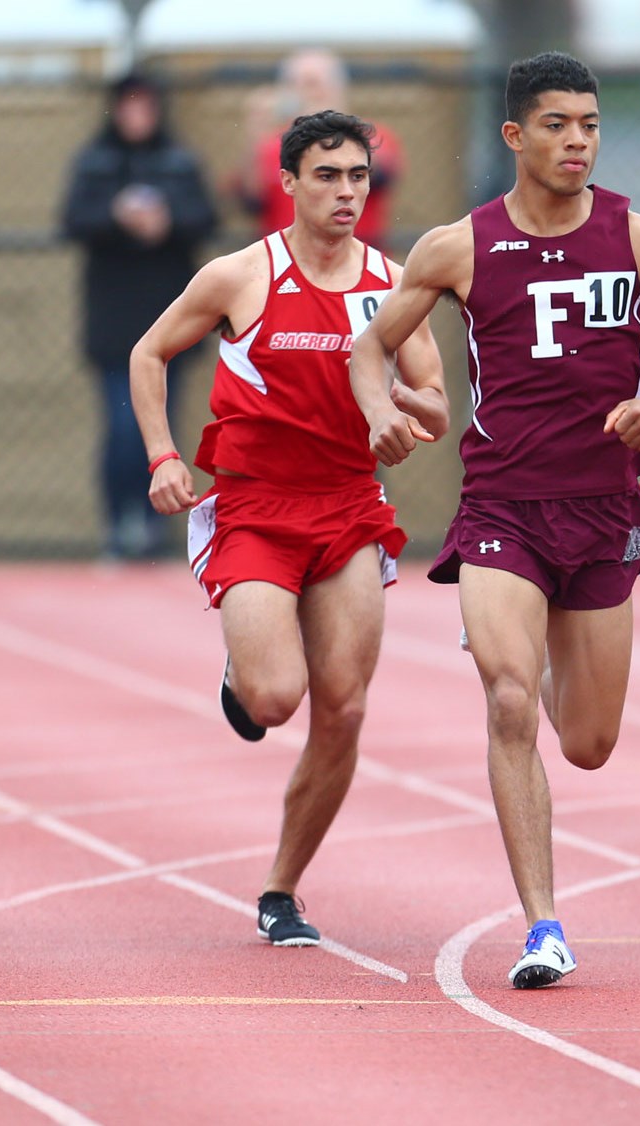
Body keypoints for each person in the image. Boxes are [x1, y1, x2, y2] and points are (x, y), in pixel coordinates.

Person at [349, 52, 640, 988]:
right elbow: (372, 348)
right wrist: (379, 412)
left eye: (592, 125)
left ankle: (565, 666)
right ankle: (544, 927)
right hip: (502, 511)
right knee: (511, 701)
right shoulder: (460, 246)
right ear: (516, 136)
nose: (579, 142)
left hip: (604, 511)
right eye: (560, 125)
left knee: (590, 743)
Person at [128, 110, 444, 948]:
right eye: (329, 176)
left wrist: (402, 413)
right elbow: (149, 354)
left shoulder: (393, 281)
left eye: (358, 178)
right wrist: (163, 455)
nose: (346, 192)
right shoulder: (240, 275)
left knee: (342, 709)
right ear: (291, 182)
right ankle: (245, 663)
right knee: (275, 697)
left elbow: (438, 404)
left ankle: (281, 889)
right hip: (257, 507)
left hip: (347, 506)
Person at [61, 72, 216, 560]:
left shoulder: (179, 160)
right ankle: (120, 523)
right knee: (124, 428)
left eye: (145, 105)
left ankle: (154, 528)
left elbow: (205, 218)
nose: (136, 116)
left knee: (163, 425)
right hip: (114, 323)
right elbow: (72, 220)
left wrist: (165, 220)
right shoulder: (94, 161)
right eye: (127, 105)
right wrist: (117, 217)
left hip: (171, 318)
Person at [231, 48, 403, 246]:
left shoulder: (370, 134)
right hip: (288, 260)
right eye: (296, 85)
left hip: (356, 254)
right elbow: (251, 201)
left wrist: (325, 124)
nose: (307, 93)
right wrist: (257, 135)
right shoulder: (273, 142)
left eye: (314, 84)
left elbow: (381, 176)